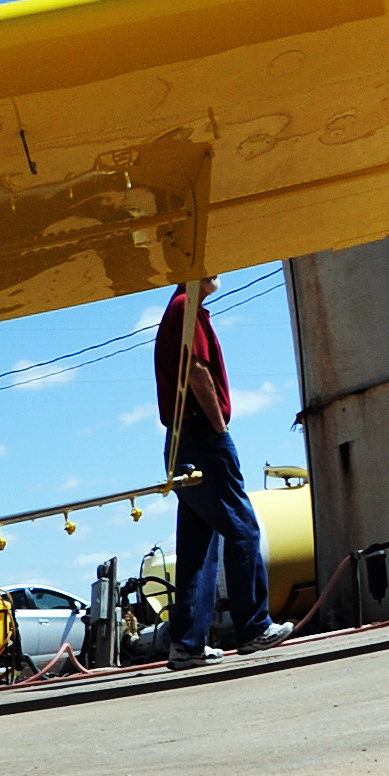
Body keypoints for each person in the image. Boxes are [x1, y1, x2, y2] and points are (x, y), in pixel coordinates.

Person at [155, 274, 279, 666]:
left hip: (180, 442)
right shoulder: (186, 310)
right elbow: (196, 370)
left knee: (197, 549)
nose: (216, 270)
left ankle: (187, 643)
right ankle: (254, 627)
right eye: (205, 264)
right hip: (202, 436)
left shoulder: (179, 311)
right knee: (243, 528)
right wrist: (219, 426)